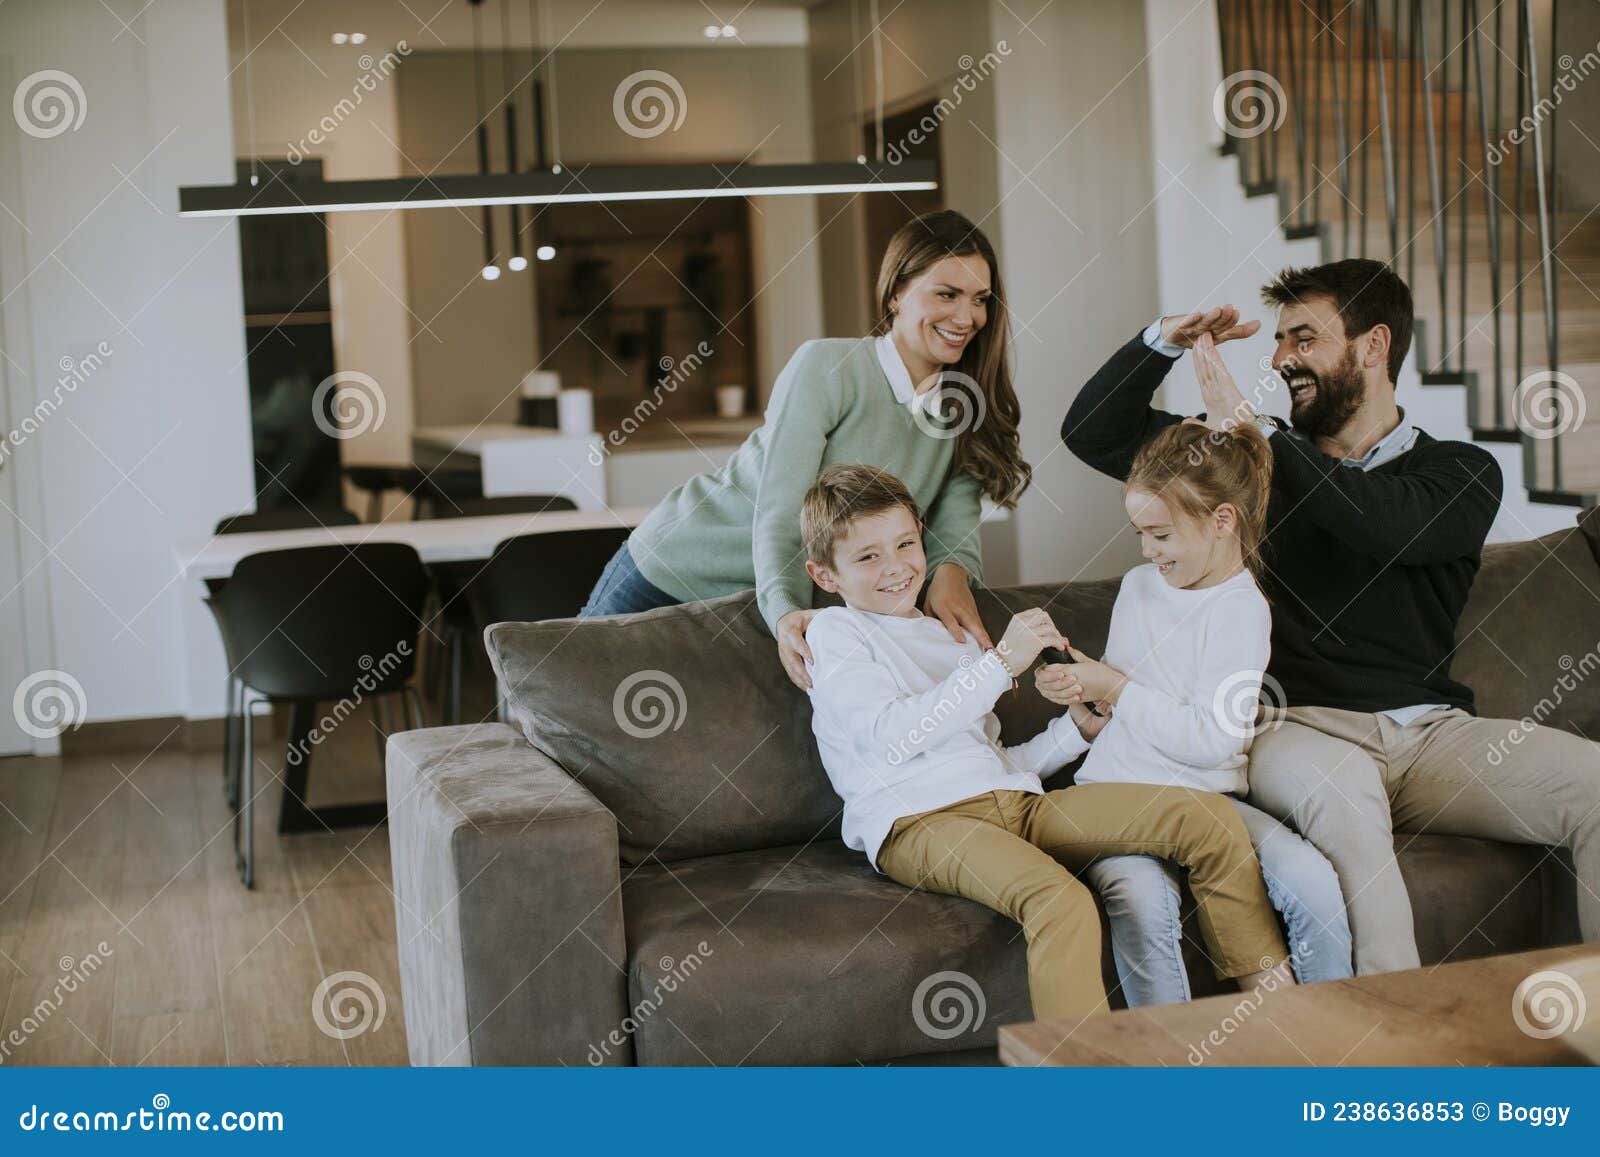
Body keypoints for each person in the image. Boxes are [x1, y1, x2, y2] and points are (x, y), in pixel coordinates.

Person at [1062, 258, 1600, 974]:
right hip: (1300, 726)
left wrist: (1261, 434)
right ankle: (1395, 1052)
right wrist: (1163, 339)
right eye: (1280, 340)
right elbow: (1094, 434)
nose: (1282, 358)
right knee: (1349, 813)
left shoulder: (1462, 471)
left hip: (1432, 735)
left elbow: (1381, 525)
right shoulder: (1246, 469)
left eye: (1303, 338)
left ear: (1373, 347)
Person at [799, 462, 1291, 1020]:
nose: (896, 568)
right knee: (1061, 903)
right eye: (868, 557)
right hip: (921, 822)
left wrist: (1075, 730)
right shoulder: (834, 633)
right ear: (825, 576)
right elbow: (893, 738)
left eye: (906, 544)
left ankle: (1275, 1017)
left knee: (1206, 819)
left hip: (1015, 802)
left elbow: (988, 760)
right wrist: (1000, 662)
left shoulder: (949, 635)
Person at [580, 210, 1030, 690]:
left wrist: (953, 570)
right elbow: (782, 506)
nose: (967, 317)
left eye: (980, 299)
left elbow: (954, 519)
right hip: (678, 566)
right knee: (564, 691)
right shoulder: (828, 367)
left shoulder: (960, 406)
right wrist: (787, 611)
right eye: (947, 294)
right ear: (896, 293)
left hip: (768, 597)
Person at [1035, 419, 1353, 1005]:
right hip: (1119, 793)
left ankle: (1326, 1046)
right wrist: (1088, 687)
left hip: (1209, 801)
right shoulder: (1137, 587)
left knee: (1312, 881)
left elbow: (1212, 743)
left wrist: (1118, 687)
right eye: (1140, 534)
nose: (1147, 551)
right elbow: (1122, 698)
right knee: (1143, 903)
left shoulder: (1242, 611)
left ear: (1222, 521)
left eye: (1160, 535)